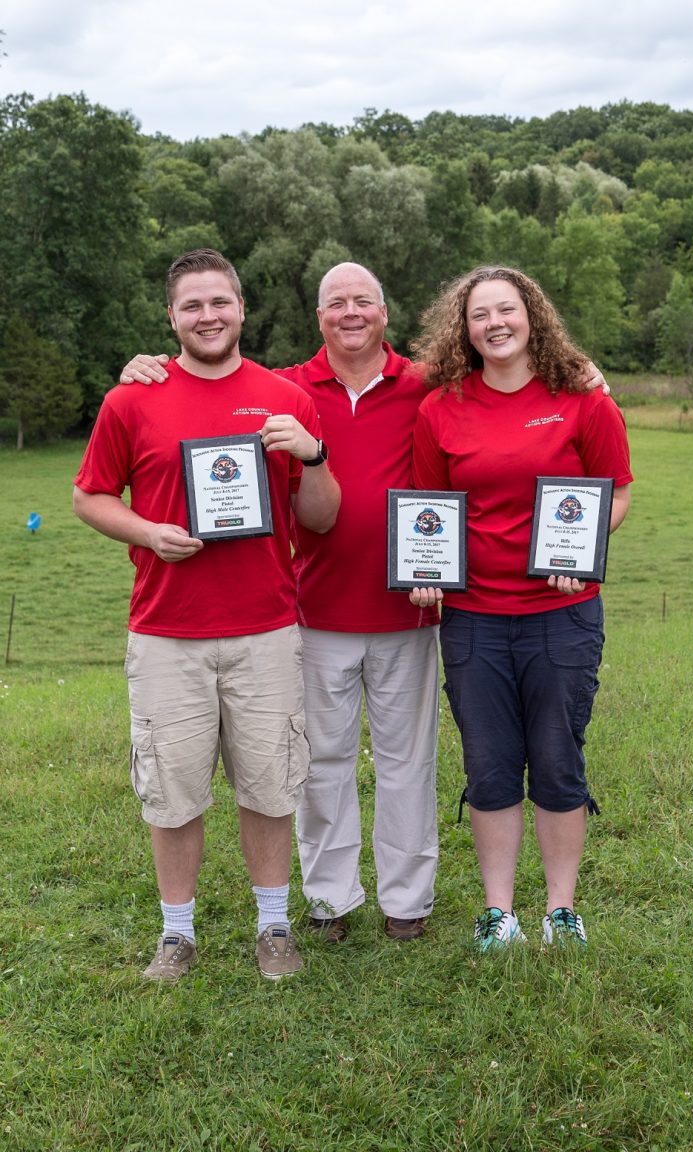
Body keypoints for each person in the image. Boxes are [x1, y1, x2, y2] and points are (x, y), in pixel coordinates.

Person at [119, 263, 608, 947]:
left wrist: (585, 370)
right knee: (321, 763)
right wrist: (145, 365)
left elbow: (515, 374)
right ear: (317, 316)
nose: (350, 312)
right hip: (313, 609)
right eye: (334, 303)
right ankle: (330, 898)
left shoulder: (427, 385)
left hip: (410, 610)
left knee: (409, 763)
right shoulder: (284, 389)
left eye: (364, 301)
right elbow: (211, 381)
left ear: (386, 311)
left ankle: (408, 899)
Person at [73, 248, 340, 982]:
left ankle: (274, 926)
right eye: (191, 305)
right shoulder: (133, 398)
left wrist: (313, 456)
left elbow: (319, 519)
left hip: (264, 628)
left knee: (269, 782)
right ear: (171, 316)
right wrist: (148, 533)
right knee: (173, 788)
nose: (207, 316)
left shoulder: (285, 397)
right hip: (166, 632)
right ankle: (177, 935)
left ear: (242, 308)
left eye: (219, 302)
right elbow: (90, 495)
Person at [409, 265, 632, 952]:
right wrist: (427, 576)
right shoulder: (440, 407)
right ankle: (498, 912)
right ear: (464, 328)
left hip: (561, 614)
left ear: (532, 315)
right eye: (480, 315)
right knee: (491, 763)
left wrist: (584, 549)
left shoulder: (584, 401)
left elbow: (617, 492)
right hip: (474, 617)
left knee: (559, 759)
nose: (495, 324)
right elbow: (428, 512)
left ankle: (561, 909)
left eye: (507, 310)